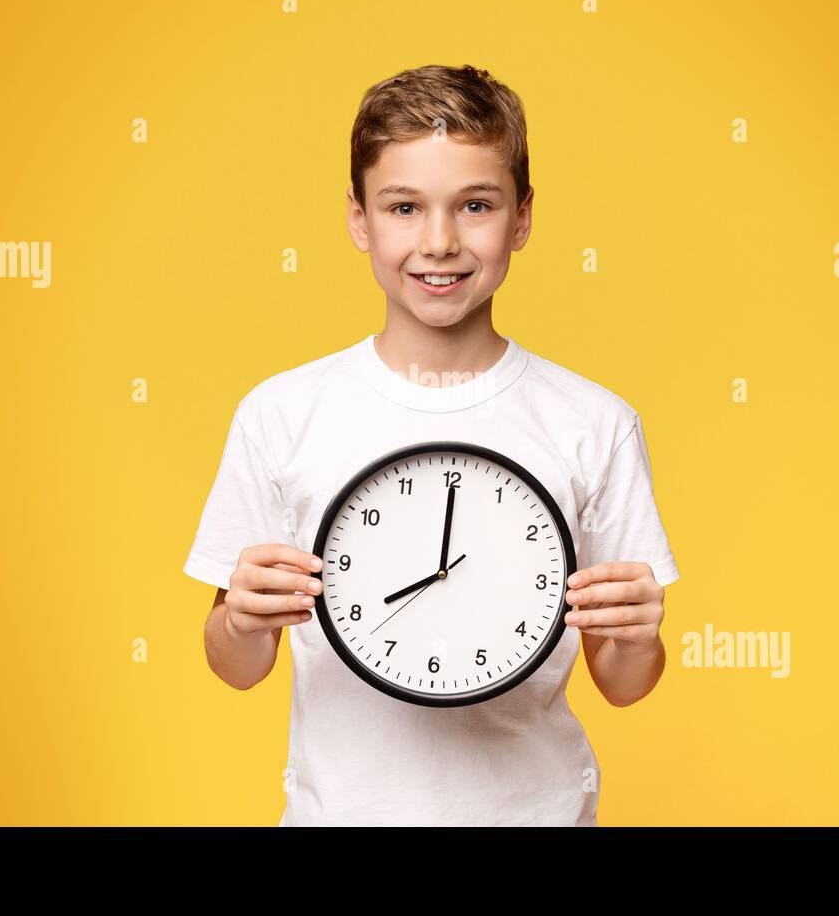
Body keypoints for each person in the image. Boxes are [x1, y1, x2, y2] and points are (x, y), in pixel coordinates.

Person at [184, 64, 680, 826]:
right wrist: (242, 621)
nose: (440, 242)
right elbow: (237, 667)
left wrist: (640, 634)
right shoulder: (282, 413)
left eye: (474, 205)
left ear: (520, 218)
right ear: (359, 220)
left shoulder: (593, 421)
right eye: (405, 207)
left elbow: (624, 680)